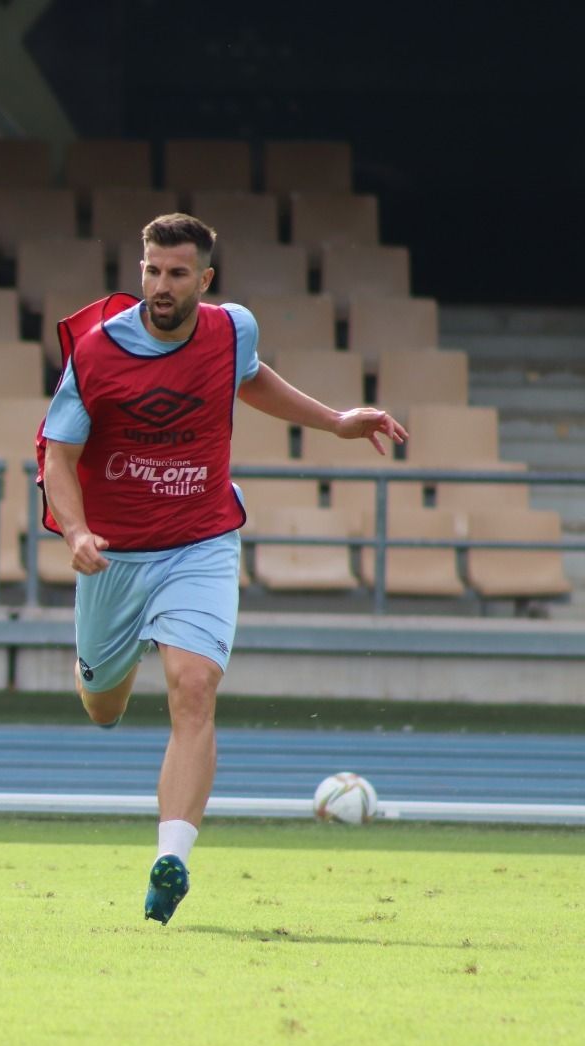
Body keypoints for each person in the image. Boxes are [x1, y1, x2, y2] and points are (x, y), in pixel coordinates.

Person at [36, 213, 407, 925]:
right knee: (103, 707)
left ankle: (170, 858)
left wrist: (334, 421)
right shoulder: (97, 351)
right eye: (151, 270)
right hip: (115, 554)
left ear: (204, 281)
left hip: (201, 542)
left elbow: (251, 378)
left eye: (177, 273)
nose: (161, 285)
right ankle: (105, 674)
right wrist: (77, 532)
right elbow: (58, 456)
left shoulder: (232, 328)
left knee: (195, 687)